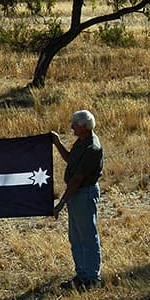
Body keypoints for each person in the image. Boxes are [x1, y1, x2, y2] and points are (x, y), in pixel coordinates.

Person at [52, 110, 104, 290]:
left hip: (83, 193)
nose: (71, 127)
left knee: (87, 237)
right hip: (76, 194)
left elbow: (77, 179)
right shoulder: (82, 141)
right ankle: (82, 275)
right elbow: (71, 160)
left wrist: (61, 203)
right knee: (76, 237)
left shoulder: (92, 148)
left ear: (83, 126)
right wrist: (57, 143)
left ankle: (92, 278)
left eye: (74, 124)